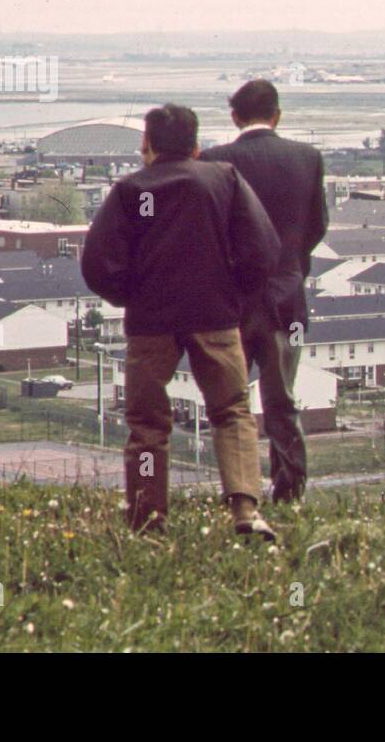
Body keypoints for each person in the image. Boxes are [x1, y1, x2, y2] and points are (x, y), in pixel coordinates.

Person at [82, 103, 282, 539]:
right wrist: (235, 295)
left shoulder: (133, 191)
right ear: (196, 145)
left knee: (148, 425)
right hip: (215, 316)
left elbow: (98, 263)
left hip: (151, 321)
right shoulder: (223, 179)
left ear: (147, 145)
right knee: (231, 412)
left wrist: (130, 294)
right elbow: (262, 250)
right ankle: (245, 510)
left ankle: (148, 518)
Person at [201, 79, 328, 503]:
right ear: (277, 115)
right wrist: (290, 267)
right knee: (282, 403)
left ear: (235, 116)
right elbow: (316, 228)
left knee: (230, 405)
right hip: (286, 303)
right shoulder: (307, 159)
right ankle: (289, 492)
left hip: (230, 305)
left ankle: (240, 493)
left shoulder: (215, 161)